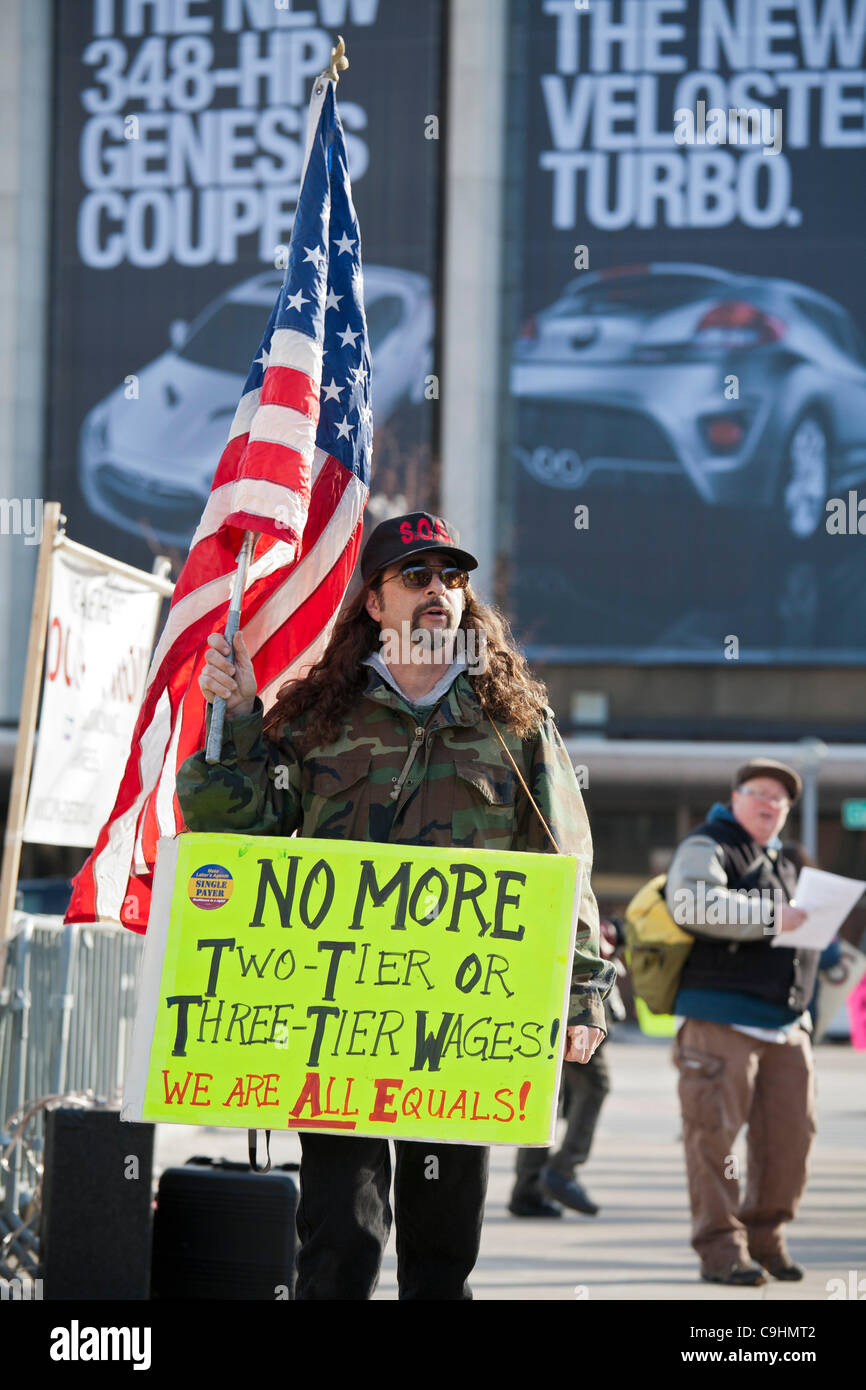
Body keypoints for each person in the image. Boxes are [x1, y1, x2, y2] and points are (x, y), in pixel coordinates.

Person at [176, 510, 615, 1301]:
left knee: (444, 1241)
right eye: (417, 577)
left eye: (452, 577)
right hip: (339, 1013)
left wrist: (582, 992)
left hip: (466, 1016)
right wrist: (238, 720)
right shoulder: (317, 717)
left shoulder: (514, 721)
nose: (439, 591)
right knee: (340, 1234)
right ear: (375, 602)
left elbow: (564, 861)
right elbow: (242, 829)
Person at [665, 759, 820, 1287]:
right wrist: (772, 915)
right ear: (734, 798)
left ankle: (765, 1239)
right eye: (757, 792)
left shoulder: (788, 858)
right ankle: (721, 1250)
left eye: (780, 799)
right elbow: (690, 901)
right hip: (719, 1020)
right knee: (714, 1141)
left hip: (786, 1025)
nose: (769, 804)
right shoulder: (709, 843)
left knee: (789, 1142)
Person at [508, 917, 624, 1218]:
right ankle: (562, 1169)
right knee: (593, 1083)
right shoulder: (571, 871)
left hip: (533, 978)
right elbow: (581, 921)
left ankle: (528, 1186)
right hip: (565, 986)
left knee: (547, 1089)